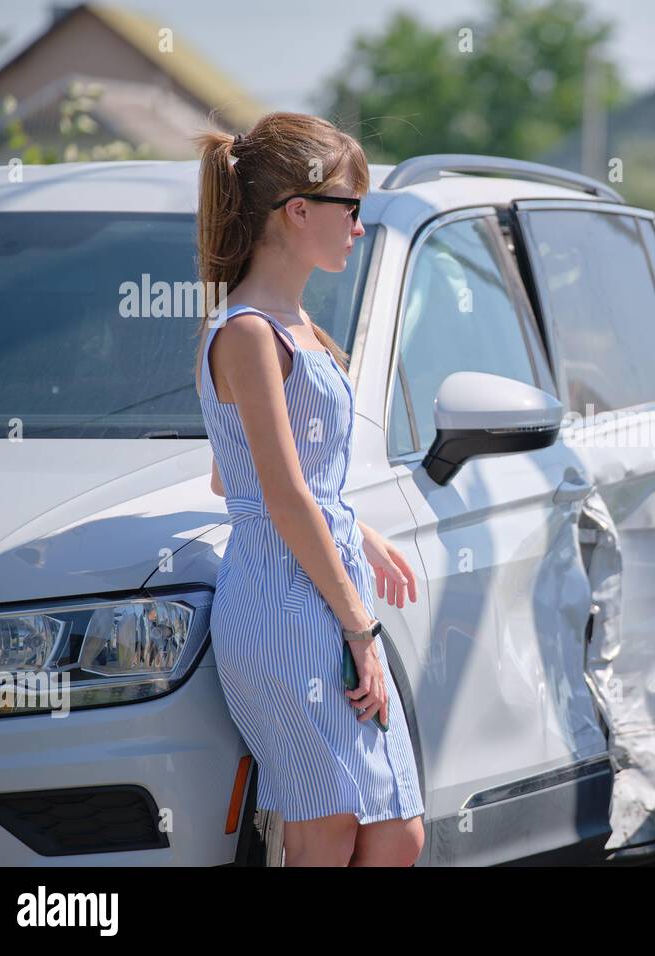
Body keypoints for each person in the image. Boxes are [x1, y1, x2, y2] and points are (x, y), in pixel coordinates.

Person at [191, 112, 424, 866]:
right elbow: (274, 493)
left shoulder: (302, 329)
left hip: (321, 585)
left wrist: (358, 533)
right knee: (326, 832)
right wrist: (361, 630)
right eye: (351, 208)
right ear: (299, 210)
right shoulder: (248, 332)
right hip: (282, 604)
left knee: (395, 834)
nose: (359, 228)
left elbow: (244, 474)